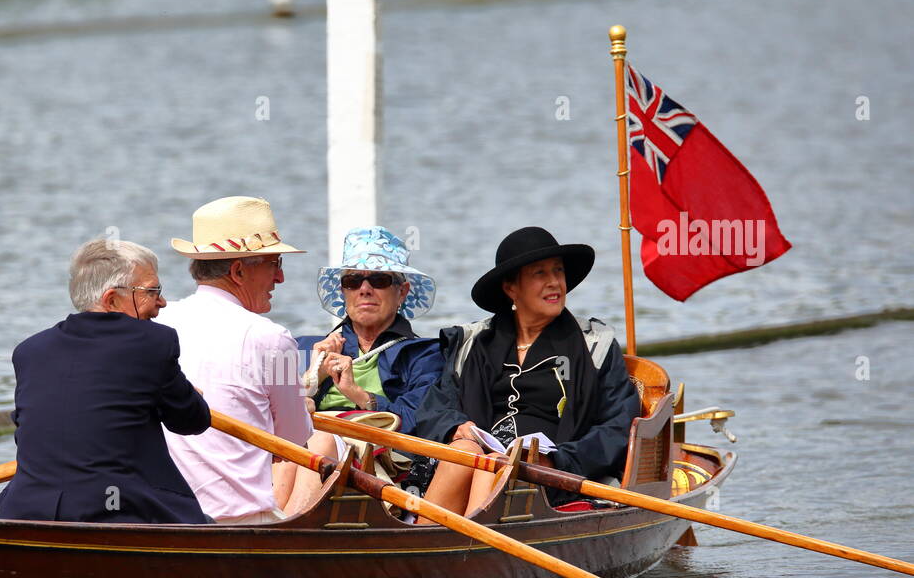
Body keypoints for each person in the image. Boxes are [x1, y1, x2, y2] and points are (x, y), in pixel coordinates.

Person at [412, 226, 640, 519]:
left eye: (558, 272)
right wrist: (457, 427)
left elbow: (617, 425)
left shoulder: (595, 343)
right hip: (474, 459)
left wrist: (559, 460)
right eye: (540, 274)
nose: (554, 283)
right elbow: (435, 406)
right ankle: (427, 538)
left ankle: (463, 552)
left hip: (552, 471)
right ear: (511, 288)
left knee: (494, 465)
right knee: (467, 453)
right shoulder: (474, 341)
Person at [0, 239, 211, 524]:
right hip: (118, 512)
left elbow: (30, 433)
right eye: (152, 291)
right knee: (209, 526)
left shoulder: (29, 350)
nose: (162, 302)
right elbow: (191, 421)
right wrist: (190, 396)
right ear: (111, 300)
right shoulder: (154, 341)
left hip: (27, 509)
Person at [158, 196, 338, 524]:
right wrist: (301, 410)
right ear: (239, 271)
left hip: (163, 514)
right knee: (327, 446)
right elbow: (294, 441)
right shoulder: (277, 339)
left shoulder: (155, 323)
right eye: (275, 264)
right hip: (235, 521)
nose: (280, 278)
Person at [296, 227, 444, 430]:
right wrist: (314, 376)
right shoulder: (302, 347)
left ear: (402, 292)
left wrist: (357, 393)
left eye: (379, 280)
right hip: (309, 446)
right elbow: (267, 408)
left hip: (380, 454)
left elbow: (422, 422)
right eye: (353, 281)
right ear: (343, 291)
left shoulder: (426, 355)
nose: (365, 290)